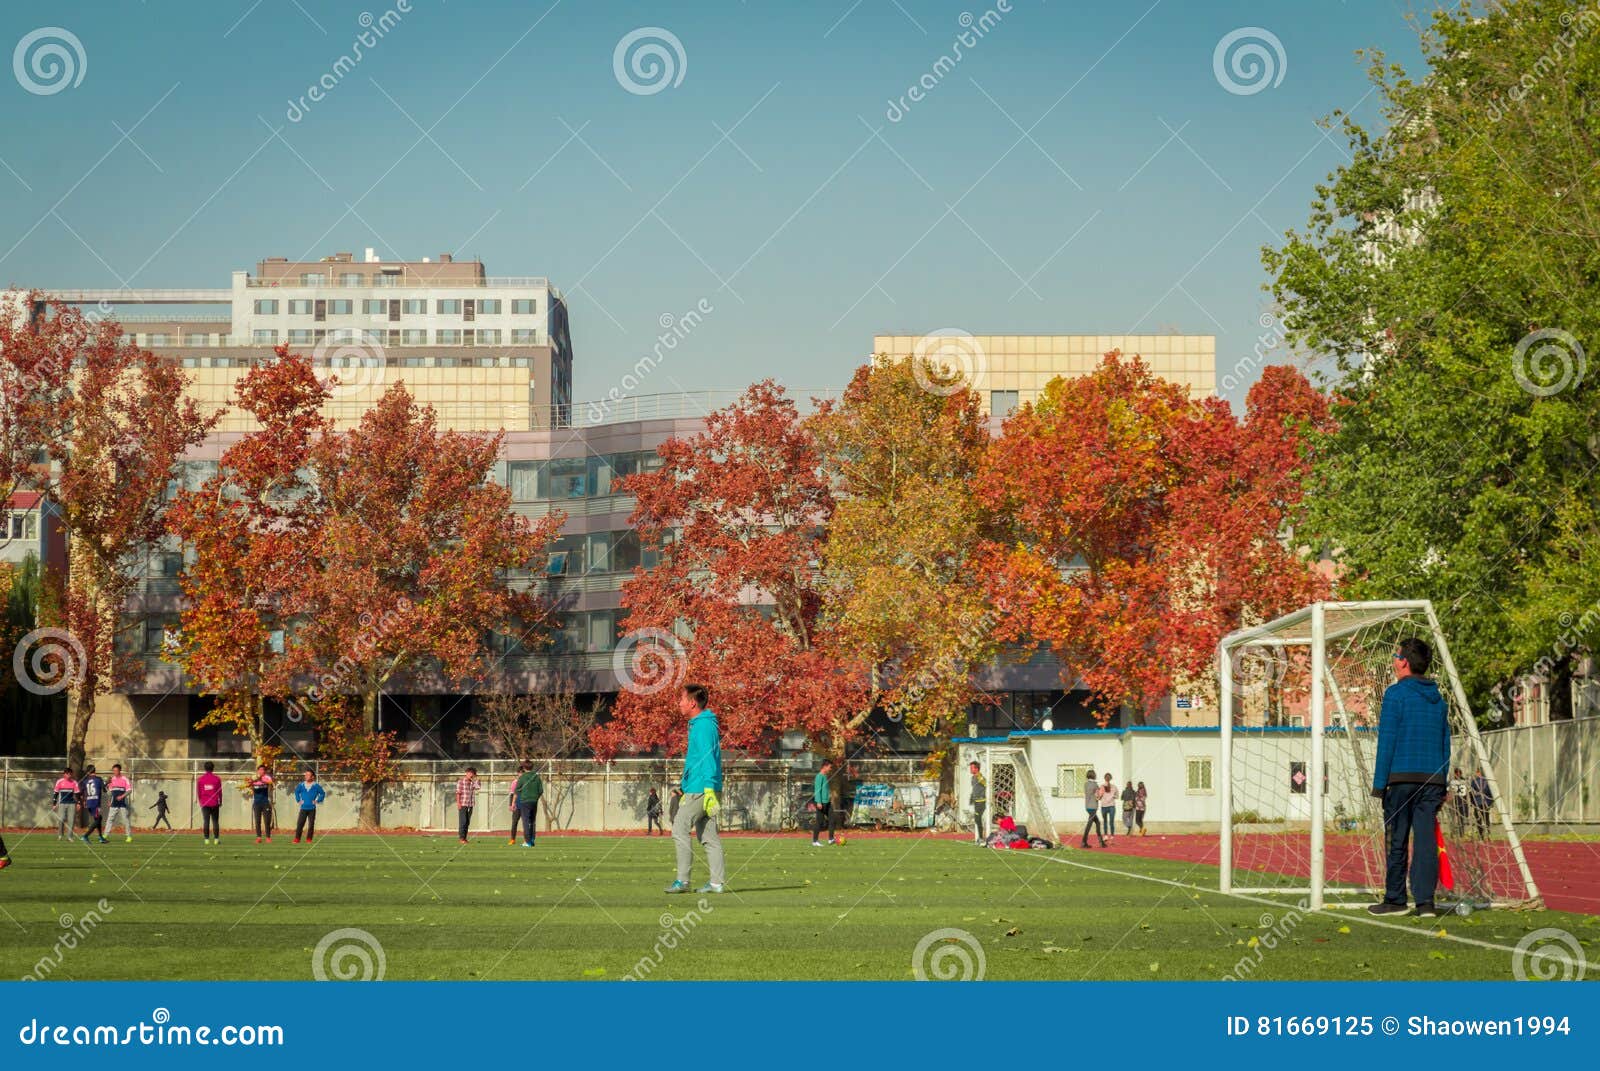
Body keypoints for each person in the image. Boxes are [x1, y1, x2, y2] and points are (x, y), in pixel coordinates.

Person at [1368, 637, 1450, 918]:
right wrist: (1443, 782)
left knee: (1397, 839)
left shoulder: (1395, 695)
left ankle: (1395, 898)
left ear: (1403, 662)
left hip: (1400, 779)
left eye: (1395, 655)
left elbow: (1387, 741)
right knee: (1426, 840)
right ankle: (1426, 902)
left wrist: (1380, 784)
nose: (1393, 660)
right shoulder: (1438, 700)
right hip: (1432, 779)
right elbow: (1445, 743)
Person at [665, 683, 726, 894]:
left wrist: (708, 789)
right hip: (698, 786)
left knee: (679, 828)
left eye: (681, 699)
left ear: (692, 702)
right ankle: (717, 883)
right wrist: (683, 787)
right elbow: (695, 759)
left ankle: (683, 881)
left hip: (702, 788)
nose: (679, 703)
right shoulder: (700, 724)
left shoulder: (702, 726)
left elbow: (708, 758)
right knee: (708, 836)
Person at [514, 763, 543, 847]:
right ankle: (532, 839)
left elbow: (517, 789)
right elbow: (540, 790)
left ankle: (527, 841)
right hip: (534, 801)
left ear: (524, 768)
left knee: (526, 821)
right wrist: (535, 797)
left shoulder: (522, 777)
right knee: (532, 821)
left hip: (525, 801)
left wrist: (522, 794)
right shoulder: (537, 777)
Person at [293, 769, 325, 844]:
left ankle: (309, 839)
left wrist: (317, 801)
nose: (306, 776)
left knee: (311, 825)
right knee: (300, 824)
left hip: (312, 808)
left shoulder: (316, 785)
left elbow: (322, 793)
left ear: (312, 777)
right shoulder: (301, 785)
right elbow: (296, 792)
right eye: (305, 775)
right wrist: (298, 800)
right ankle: (297, 839)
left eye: (308, 775)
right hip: (303, 808)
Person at [104, 764, 134, 842]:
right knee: (110, 819)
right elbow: (110, 792)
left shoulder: (125, 779)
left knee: (125, 820)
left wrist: (122, 796)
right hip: (113, 803)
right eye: (113, 770)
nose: (114, 772)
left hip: (122, 804)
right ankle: (105, 835)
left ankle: (129, 836)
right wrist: (109, 801)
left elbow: (129, 790)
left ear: (119, 771)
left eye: (116, 770)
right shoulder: (112, 779)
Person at [811, 759, 838, 846]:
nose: (830, 769)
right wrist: (818, 802)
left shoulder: (825, 776)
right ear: (825, 766)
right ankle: (815, 841)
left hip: (827, 802)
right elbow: (817, 790)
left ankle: (831, 839)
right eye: (830, 767)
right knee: (819, 822)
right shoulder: (819, 776)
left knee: (832, 819)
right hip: (821, 803)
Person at [196, 761, 223, 844]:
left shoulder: (200, 779)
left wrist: (200, 801)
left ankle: (206, 840)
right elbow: (220, 791)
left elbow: (199, 792)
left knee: (206, 821)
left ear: (205, 768)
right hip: (215, 803)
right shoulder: (217, 779)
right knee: (215, 821)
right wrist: (220, 801)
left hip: (205, 803)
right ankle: (216, 840)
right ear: (213, 768)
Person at [80, 765, 106, 844]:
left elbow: (82, 792)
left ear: (88, 772)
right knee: (98, 819)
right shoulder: (98, 779)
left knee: (98, 819)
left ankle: (101, 837)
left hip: (89, 802)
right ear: (95, 771)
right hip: (95, 802)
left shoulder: (85, 781)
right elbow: (104, 790)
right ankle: (85, 836)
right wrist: (108, 782)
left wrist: (84, 801)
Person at [249, 765, 275, 844]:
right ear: (257, 771)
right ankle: (258, 837)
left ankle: (268, 837)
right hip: (256, 803)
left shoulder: (267, 777)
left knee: (267, 821)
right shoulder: (254, 777)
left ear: (265, 771)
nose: (261, 771)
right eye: (260, 770)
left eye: (263, 770)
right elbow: (249, 784)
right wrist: (251, 782)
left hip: (265, 802)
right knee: (257, 821)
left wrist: (261, 780)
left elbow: (271, 783)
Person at [1081, 768, 1105, 848]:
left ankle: (1101, 842)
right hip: (1093, 806)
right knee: (1089, 824)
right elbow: (1098, 796)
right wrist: (1101, 793)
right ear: (1093, 775)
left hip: (1087, 806)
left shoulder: (1085, 784)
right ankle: (1084, 842)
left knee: (1097, 823)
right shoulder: (1095, 785)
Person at [52, 767, 79, 839]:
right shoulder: (59, 782)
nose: (69, 776)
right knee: (61, 819)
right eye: (67, 774)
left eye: (70, 774)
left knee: (71, 820)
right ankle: (60, 835)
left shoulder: (74, 782)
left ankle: (69, 836)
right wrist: (54, 804)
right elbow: (56, 793)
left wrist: (78, 803)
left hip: (72, 804)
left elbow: (77, 794)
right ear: (64, 774)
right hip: (62, 803)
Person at [455, 767, 480, 844]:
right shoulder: (461, 782)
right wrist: (458, 803)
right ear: (467, 773)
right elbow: (458, 793)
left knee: (467, 822)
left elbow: (478, 787)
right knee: (463, 821)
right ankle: (461, 838)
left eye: (473, 774)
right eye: (470, 773)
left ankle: (464, 838)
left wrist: (475, 781)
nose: (471, 775)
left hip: (470, 804)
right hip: (463, 804)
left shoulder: (473, 782)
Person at [507, 762, 529, 845]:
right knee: (514, 823)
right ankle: (512, 839)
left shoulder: (528, 782)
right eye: (519, 773)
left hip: (525, 805)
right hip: (516, 805)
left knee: (525, 823)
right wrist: (510, 804)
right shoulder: (515, 782)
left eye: (522, 773)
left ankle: (526, 840)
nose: (520, 774)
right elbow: (512, 794)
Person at [1470, 767, 1495, 839]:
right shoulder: (1487, 781)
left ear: (1478, 773)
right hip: (1486, 802)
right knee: (1486, 818)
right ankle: (1488, 834)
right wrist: (1491, 802)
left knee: (1478, 819)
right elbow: (1490, 792)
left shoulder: (1474, 781)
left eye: (1477, 772)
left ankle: (1481, 835)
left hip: (1477, 802)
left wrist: (1472, 802)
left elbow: (1471, 792)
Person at [968, 760, 988, 845]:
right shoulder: (973, 777)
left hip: (981, 801)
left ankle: (981, 838)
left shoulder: (980, 777)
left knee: (977, 818)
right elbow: (975, 789)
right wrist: (971, 798)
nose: (970, 769)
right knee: (977, 819)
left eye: (971, 768)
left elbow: (986, 784)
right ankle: (980, 838)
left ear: (976, 769)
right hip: (976, 801)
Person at [1099, 772, 1117, 843]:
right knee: (1105, 821)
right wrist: (1099, 794)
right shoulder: (1102, 786)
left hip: (1111, 806)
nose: (1107, 778)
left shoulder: (1114, 787)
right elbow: (1099, 796)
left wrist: (1112, 796)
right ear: (1104, 778)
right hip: (1104, 806)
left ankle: (1112, 836)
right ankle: (1106, 835)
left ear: (1111, 778)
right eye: (1106, 777)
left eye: (1109, 777)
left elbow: (1117, 795)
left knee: (1111, 821)